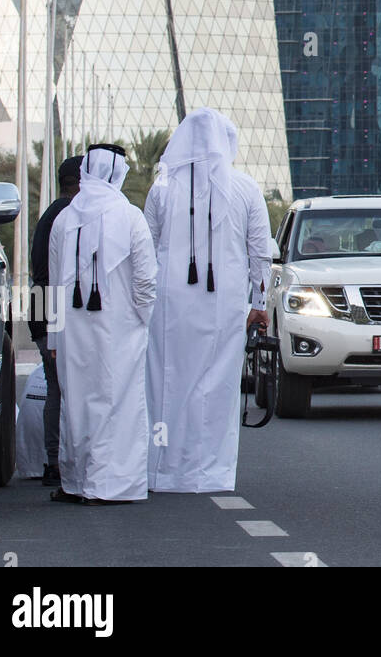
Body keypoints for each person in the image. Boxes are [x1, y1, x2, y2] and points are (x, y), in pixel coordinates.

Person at [144, 107, 273, 493]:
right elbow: (260, 253)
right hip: (226, 302)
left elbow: (146, 250)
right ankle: (211, 472)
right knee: (217, 386)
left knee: (168, 383)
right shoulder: (246, 188)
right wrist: (259, 301)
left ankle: (163, 471)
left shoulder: (162, 189)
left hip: (169, 306)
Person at [47, 144, 158, 504]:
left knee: (76, 401)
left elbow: (51, 283)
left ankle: (76, 481)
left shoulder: (64, 219)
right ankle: (107, 484)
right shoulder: (129, 217)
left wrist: (52, 336)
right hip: (119, 328)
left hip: (71, 331)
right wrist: (144, 320)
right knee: (115, 402)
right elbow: (145, 281)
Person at [28, 155, 82, 486]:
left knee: (56, 387)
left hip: (41, 307)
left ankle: (55, 461)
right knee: (61, 389)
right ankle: (56, 462)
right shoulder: (67, 215)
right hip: (51, 311)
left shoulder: (53, 211)